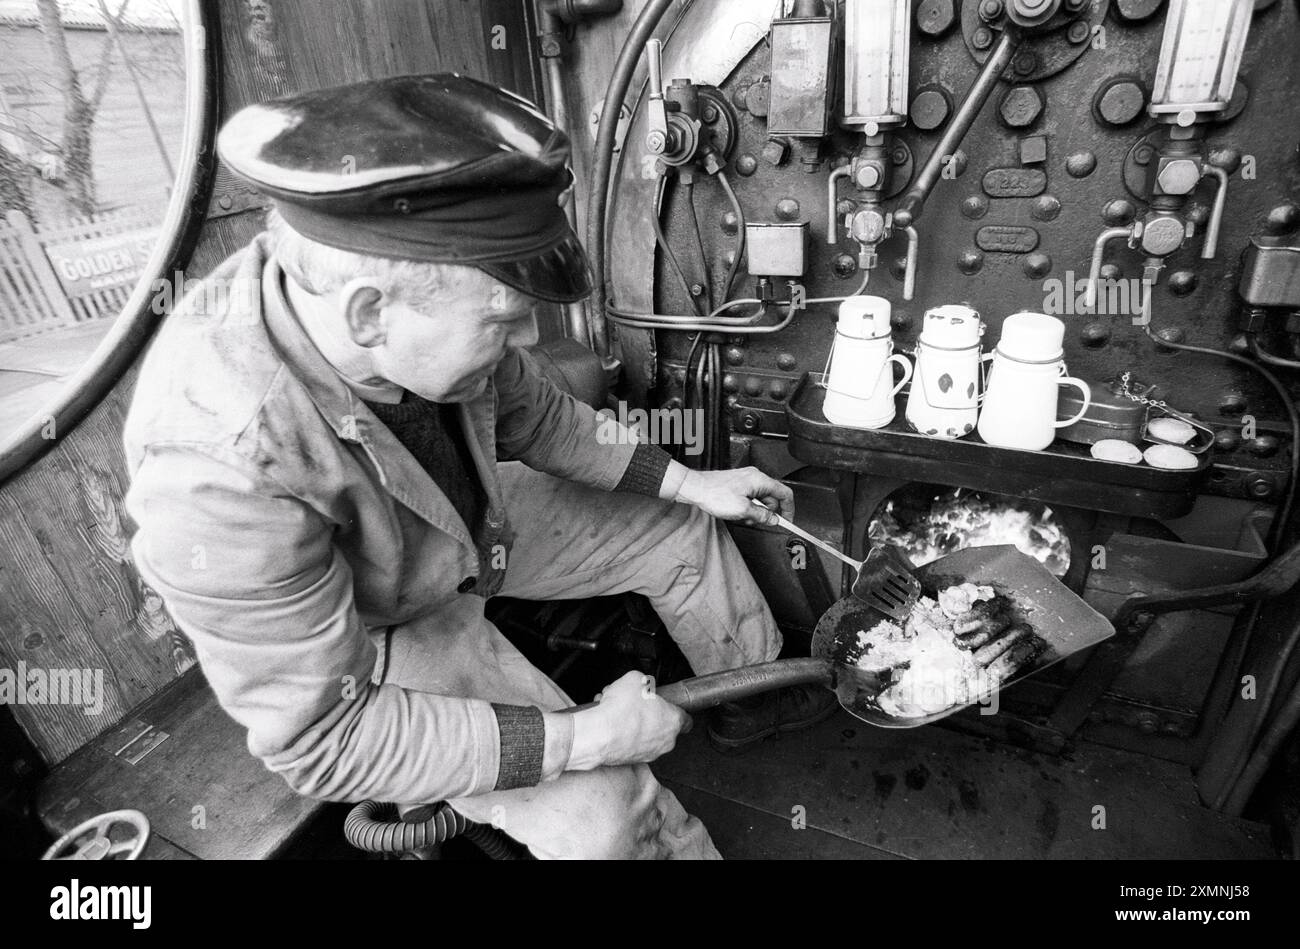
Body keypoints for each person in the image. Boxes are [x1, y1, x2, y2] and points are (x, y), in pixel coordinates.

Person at [123, 74, 835, 859]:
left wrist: (696, 485)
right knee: (610, 817)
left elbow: (547, 418)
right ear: (369, 313)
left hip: (466, 526)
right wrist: (587, 737)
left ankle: (756, 699)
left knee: (679, 523)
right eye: (502, 322)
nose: (527, 341)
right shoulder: (215, 465)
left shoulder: (415, 300)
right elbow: (322, 734)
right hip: (376, 622)